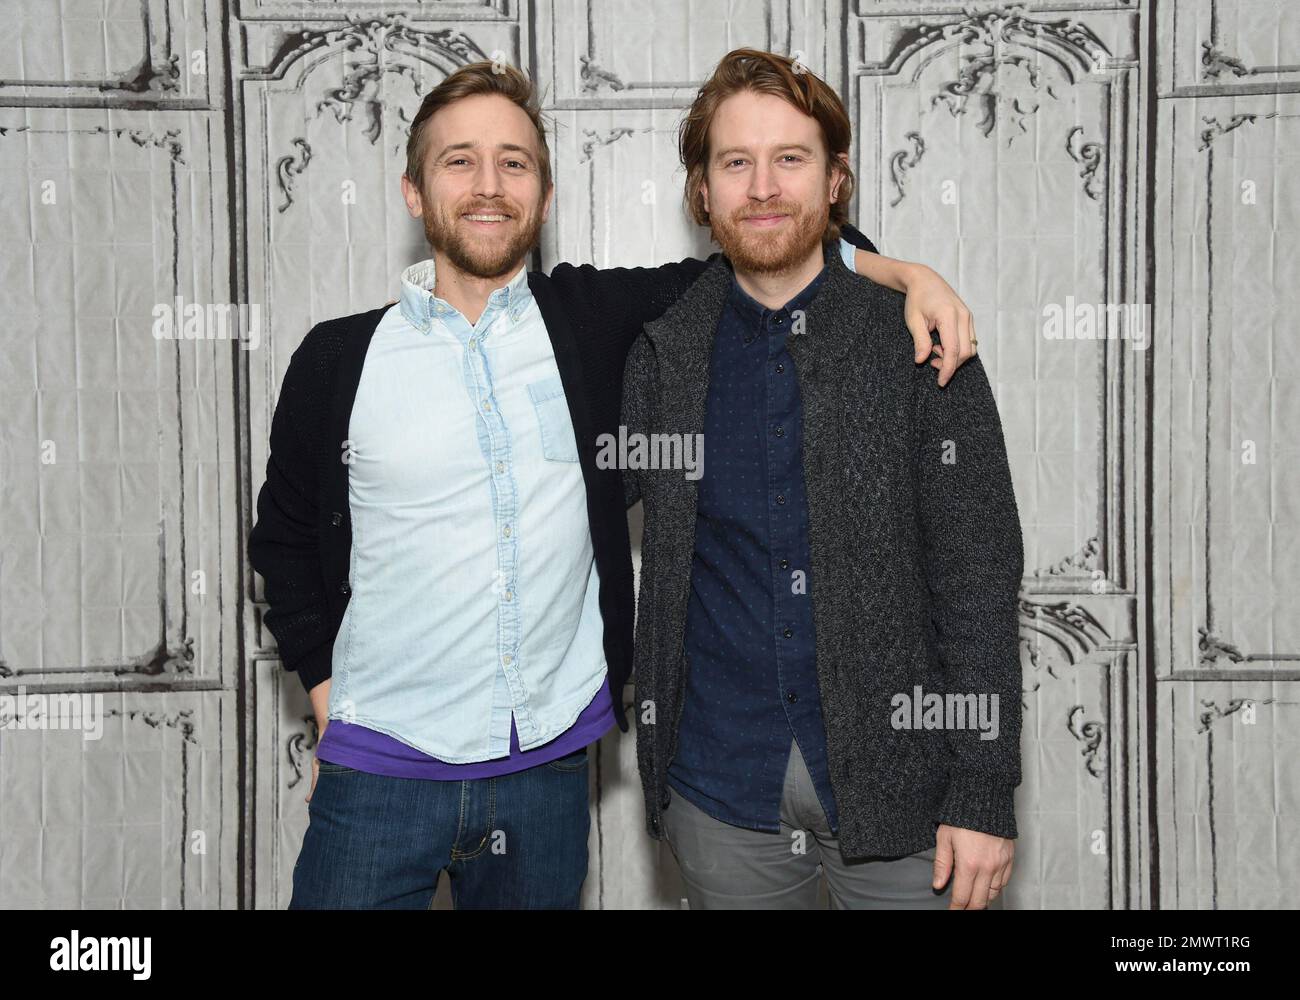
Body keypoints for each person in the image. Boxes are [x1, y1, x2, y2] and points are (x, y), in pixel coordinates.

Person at [248, 57, 977, 909]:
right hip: (377, 772)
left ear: (545, 197)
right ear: (414, 192)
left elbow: (768, 243)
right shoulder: (339, 358)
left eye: (514, 163)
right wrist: (330, 697)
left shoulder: (591, 326)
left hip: (546, 772)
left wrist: (902, 273)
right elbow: (284, 540)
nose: (489, 185)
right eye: (459, 161)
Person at [621, 48, 1023, 910]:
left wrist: (985, 788)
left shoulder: (920, 344)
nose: (763, 187)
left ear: (836, 179)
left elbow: (979, 573)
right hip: (721, 797)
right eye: (736, 162)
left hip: (908, 800)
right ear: (702, 191)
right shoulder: (665, 354)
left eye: (790, 159)